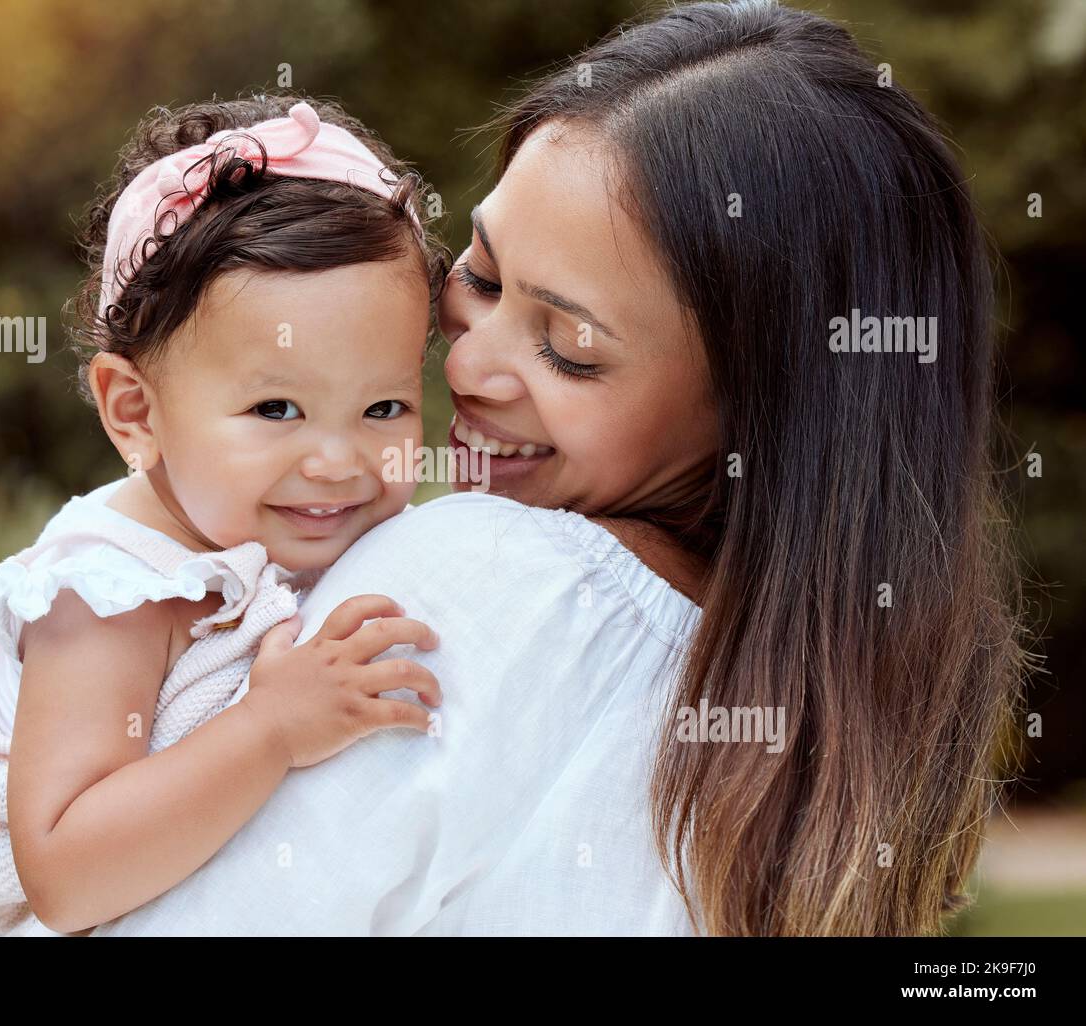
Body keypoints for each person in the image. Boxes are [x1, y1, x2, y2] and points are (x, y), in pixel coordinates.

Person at [93, 0, 1024, 937]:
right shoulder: (823, 715)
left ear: (760, 408)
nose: (462, 365)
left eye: (572, 349)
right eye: (483, 278)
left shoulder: (488, 588)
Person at [0, 95, 450, 936]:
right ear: (134, 411)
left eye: (384, 407)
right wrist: (270, 727)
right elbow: (65, 872)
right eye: (277, 409)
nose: (340, 461)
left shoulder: (281, 532)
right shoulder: (112, 590)